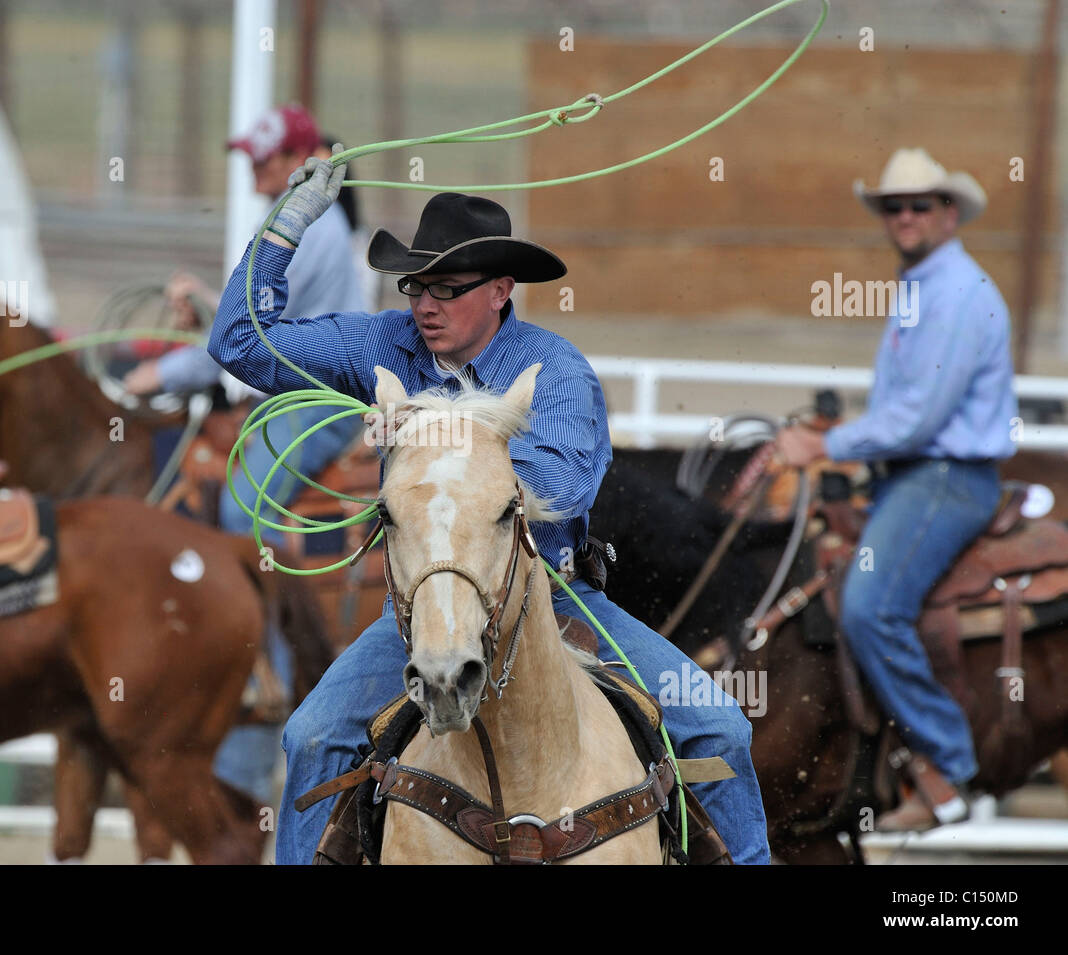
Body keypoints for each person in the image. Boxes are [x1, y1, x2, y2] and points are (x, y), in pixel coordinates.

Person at [206, 154, 772, 864]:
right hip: (421, 606)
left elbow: (561, 487)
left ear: (502, 290)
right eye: (415, 285)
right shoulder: (383, 342)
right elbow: (238, 341)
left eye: (447, 288)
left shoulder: (556, 369)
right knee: (313, 735)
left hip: (561, 598)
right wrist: (284, 228)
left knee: (720, 729)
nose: (425, 305)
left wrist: (427, 435)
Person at [124, 106, 368, 804]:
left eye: (269, 161)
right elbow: (253, 325)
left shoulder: (313, 227)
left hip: (321, 400)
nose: (259, 173)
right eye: (256, 162)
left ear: (309, 155)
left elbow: (258, 342)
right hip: (293, 394)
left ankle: (267, 667)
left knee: (242, 502)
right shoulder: (303, 223)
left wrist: (164, 374)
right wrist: (206, 305)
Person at [775, 148, 1016, 831]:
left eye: (917, 205)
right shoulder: (926, 288)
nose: (904, 217)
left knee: (870, 605)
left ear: (947, 212)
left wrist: (824, 443)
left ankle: (950, 766)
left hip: (944, 478)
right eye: (893, 207)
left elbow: (919, 419)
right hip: (914, 473)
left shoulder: (957, 295)